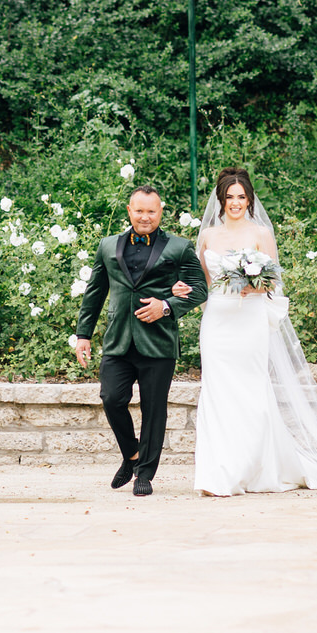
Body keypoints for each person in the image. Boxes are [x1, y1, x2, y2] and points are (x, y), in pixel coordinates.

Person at [184, 167, 317, 496]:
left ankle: (255, 469)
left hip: (251, 320)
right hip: (217, 323)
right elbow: (205, 284)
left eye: (241, 197)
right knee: (217, 393)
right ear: (220, 200)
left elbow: (272, 282)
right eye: (229, 197)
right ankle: (219, 475)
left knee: (252, 392)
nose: (235, 203)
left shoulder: (260, 234)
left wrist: (249, 285)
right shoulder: (207, 237)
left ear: (249, 200)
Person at [72, 186, 208, 497]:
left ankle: (145, 473)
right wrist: (83, 334)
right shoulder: (107, 246)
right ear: (129, 211)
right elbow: (95, 293)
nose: (145, 217)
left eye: (151, 211)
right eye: (139, 211)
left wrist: (167, 306)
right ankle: (132, 455)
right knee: (111, 398)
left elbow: (199, 289)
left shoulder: (179, 247)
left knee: (153, 409)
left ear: (161, 212)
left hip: (158, 343)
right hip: (118, 340)